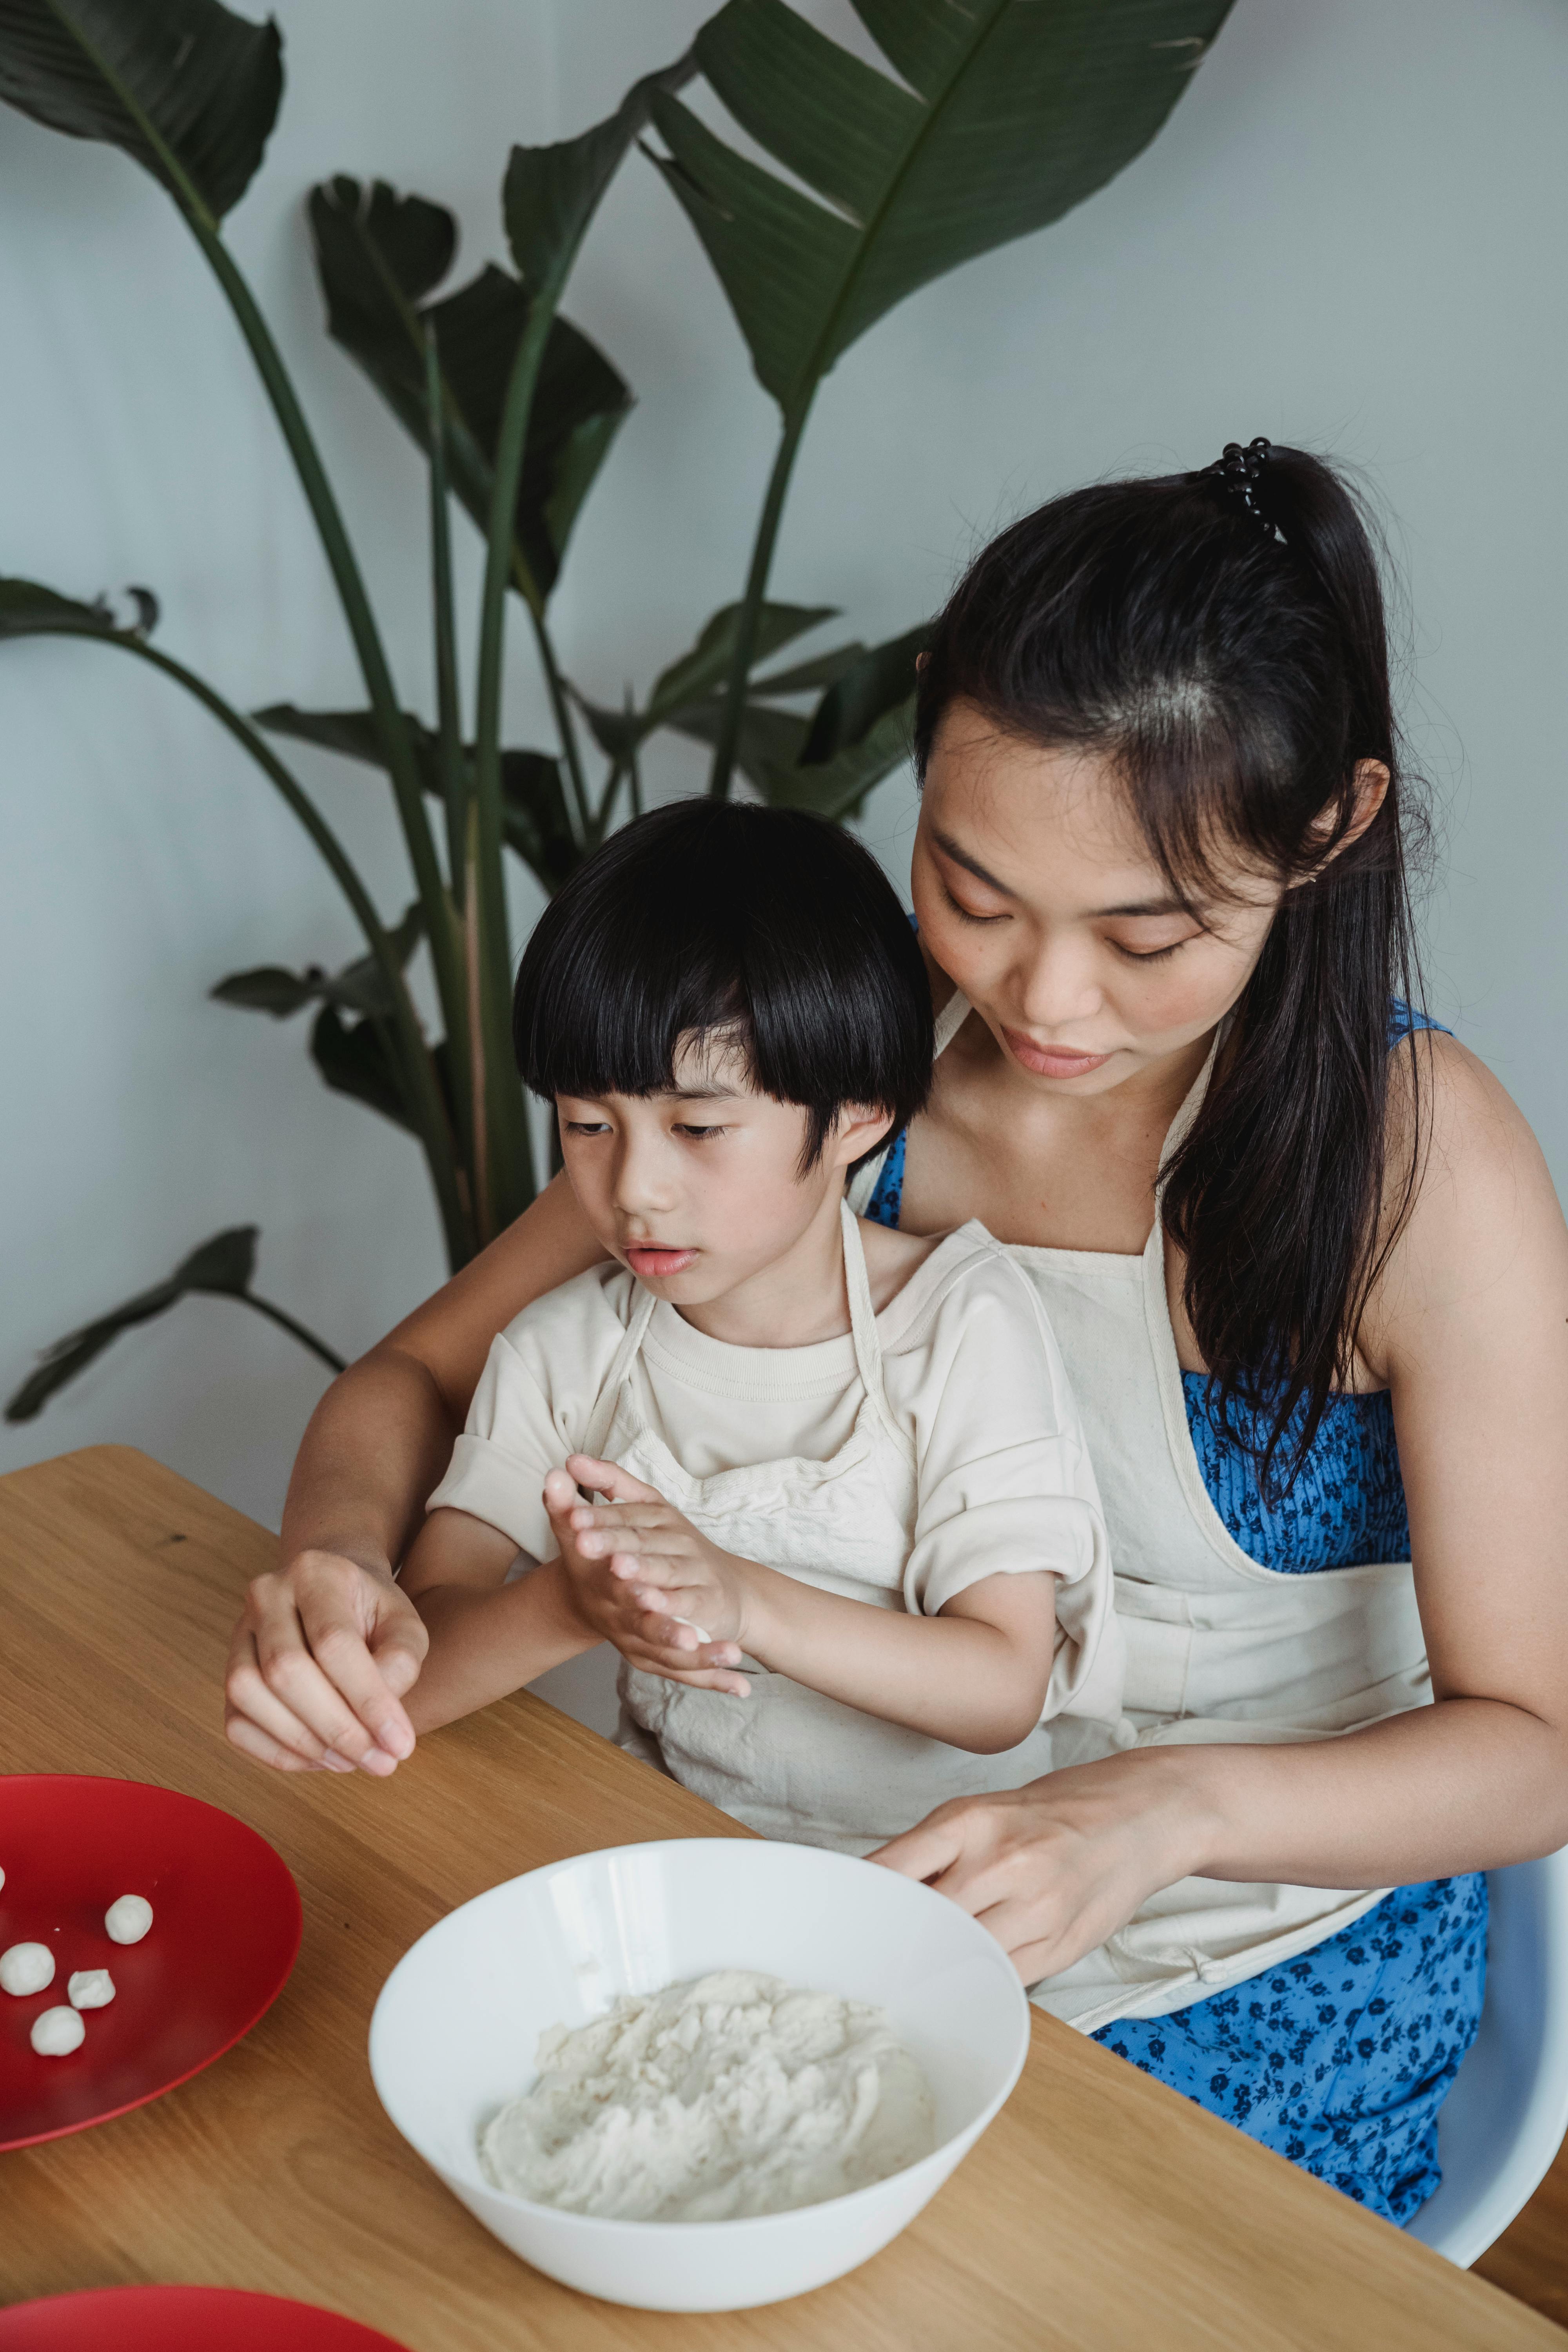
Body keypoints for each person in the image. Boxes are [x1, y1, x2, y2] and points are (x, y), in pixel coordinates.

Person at [225, 440, 1568, 2225]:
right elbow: (410, 1376)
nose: (1041, 998)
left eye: (1147, 934)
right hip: (775, 1904)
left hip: (1223, 1981)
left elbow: (1533, 1743)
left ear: (1322, 832)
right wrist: (335, 1564)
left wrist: (1156, 1814)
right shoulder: (826, 1065)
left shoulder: (1410, 1159)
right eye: (975, 891)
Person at [383, 800, 1120, 1852]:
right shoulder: (564, 1351)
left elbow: (1004, 1685)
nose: (635, 1187)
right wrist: (567, 1606)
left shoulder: (959, 1324)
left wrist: (743, 1601)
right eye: (588, 1124)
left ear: (857, 1116)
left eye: (697, 1127)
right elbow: (409, 1675)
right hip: (675, 1858)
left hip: (932, 1890)